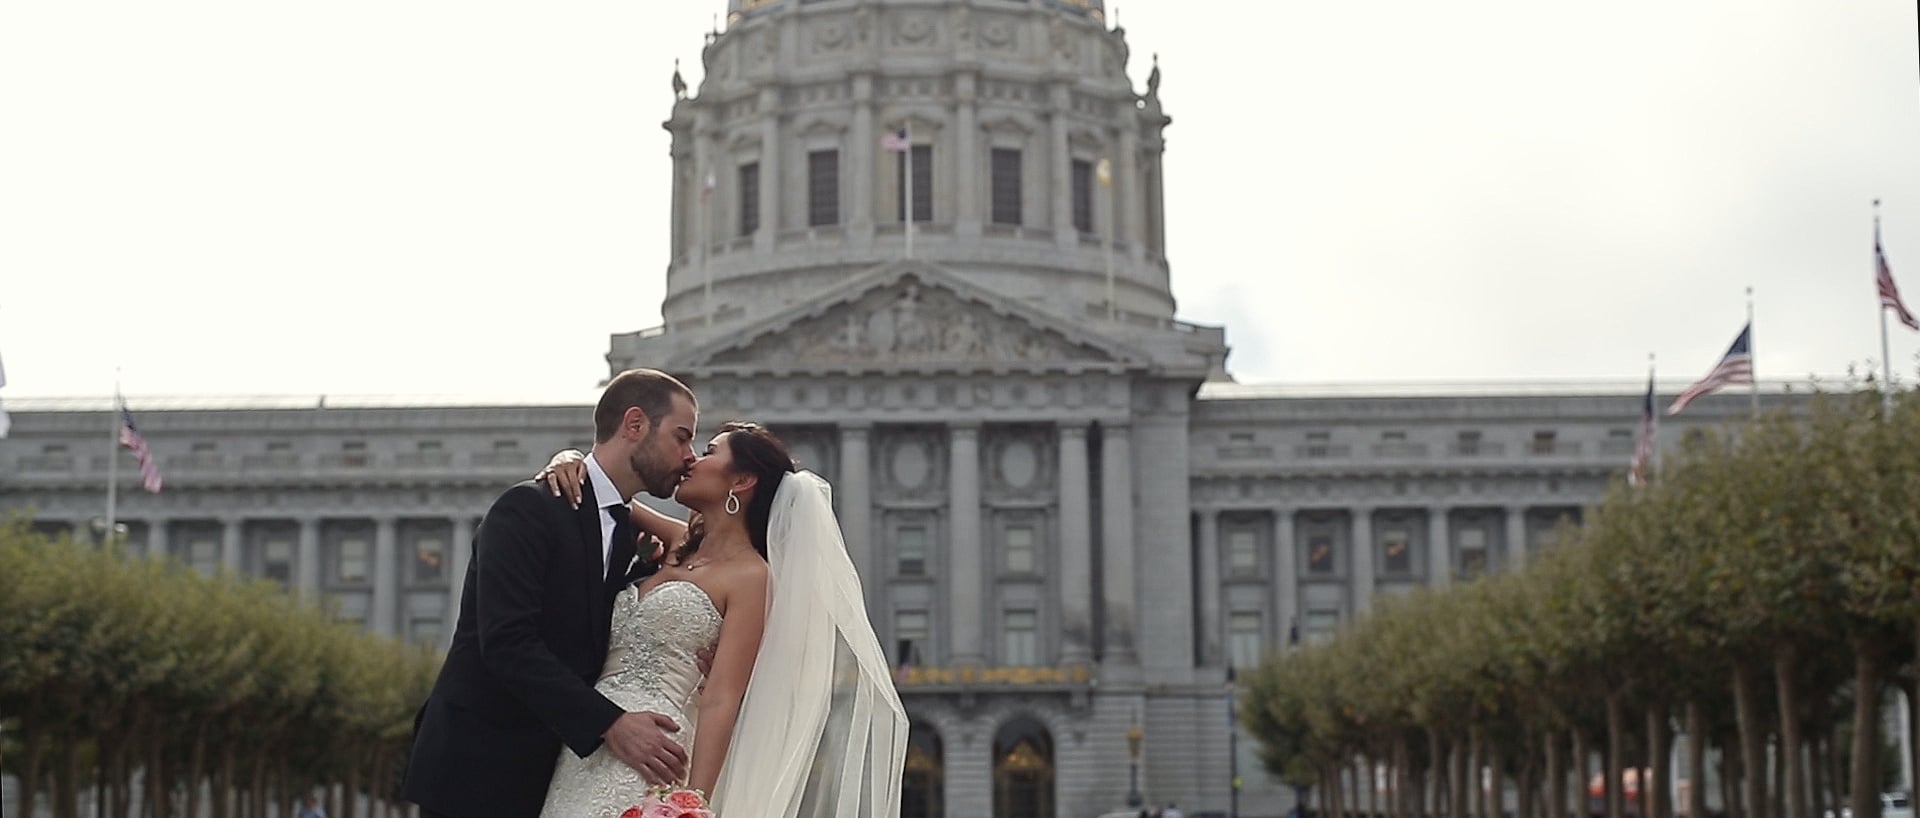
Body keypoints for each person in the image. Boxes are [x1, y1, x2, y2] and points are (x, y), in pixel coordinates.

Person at [538, 420, 908, 818]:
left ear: (742, 480)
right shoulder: (681, 544)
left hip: (657, 752)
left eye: (711, 451)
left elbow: (721, 699)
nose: (691, 460)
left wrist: (690, 804)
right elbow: (609, 497)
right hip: (588, 739)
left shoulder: (752, 577)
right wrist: (569, 458)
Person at [402, 369, 701, 818]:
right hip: (478, 769)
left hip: (552, 774)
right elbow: (507, 642)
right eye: (682, 438)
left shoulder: (625, 532)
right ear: (634, 424)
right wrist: (611, 724)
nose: (689, 456)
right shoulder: (527, 508)